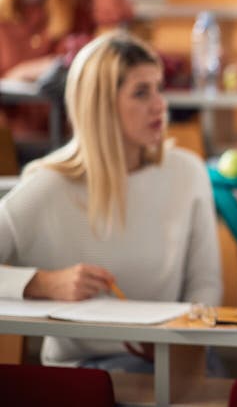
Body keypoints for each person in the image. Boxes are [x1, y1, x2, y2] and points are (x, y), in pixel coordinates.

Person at [0, 30, 221, 370]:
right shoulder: (48, 186)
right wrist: (41, 283)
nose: (160, 105)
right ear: (100, 104)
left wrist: (181, 337)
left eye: (159, 88)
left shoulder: (187, 173)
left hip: (174, 357)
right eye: (141, 93)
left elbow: (205, 285)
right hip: (86, 369)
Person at [0, 0, 133, 144]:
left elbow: (118, 14)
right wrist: (23, 72)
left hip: (66, 143)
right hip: (8, 146)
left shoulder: (75, 4)